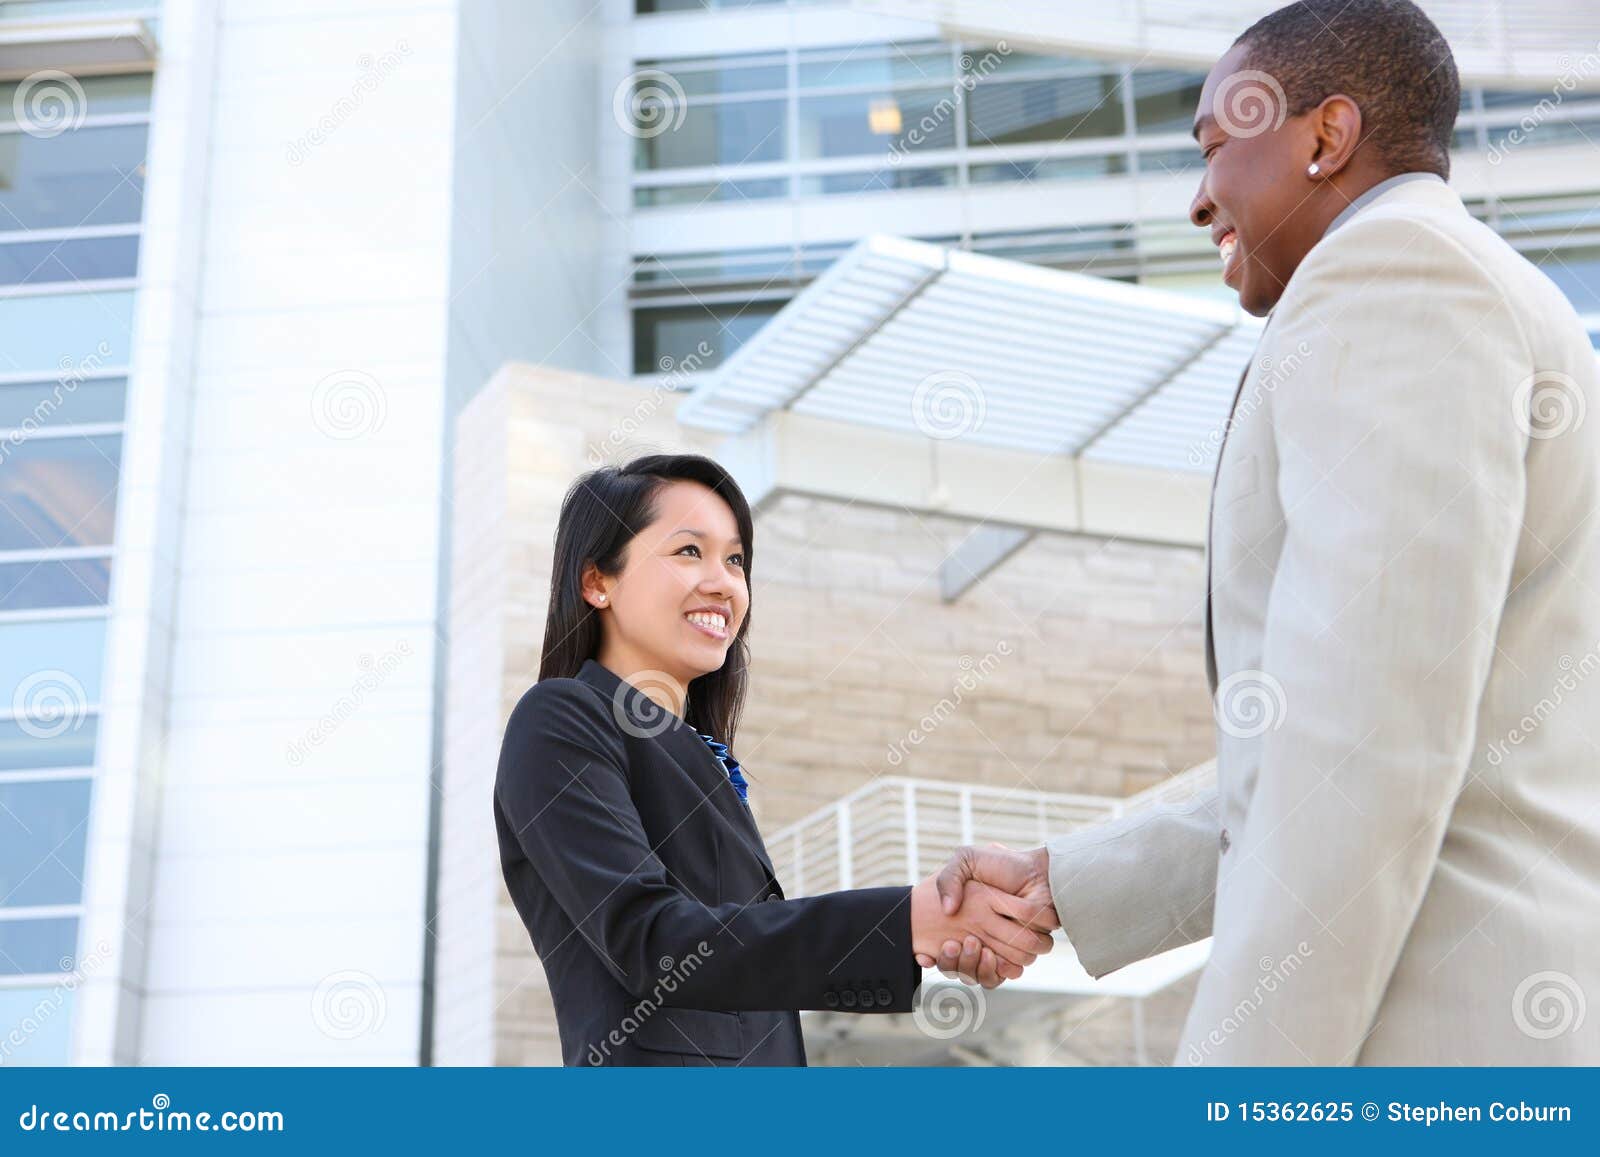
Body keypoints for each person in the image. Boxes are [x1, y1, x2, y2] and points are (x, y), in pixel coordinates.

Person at [927, 0, 1600, 1065]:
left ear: (1325, 138)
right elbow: (1351, 743)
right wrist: (1069, 880)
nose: (1198, 199)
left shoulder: (1392, 278)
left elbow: (1364, 737)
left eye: (1213, 148)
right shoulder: (1459, 281)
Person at [494, 453, 1056, 1065]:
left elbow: (741, 964)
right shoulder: (561, 719)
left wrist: (939, 922)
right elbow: (654, 942)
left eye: (735, 560)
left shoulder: (701, 758)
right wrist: (908, 922)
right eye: (688, 552)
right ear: (597, 581)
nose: (724, 582)